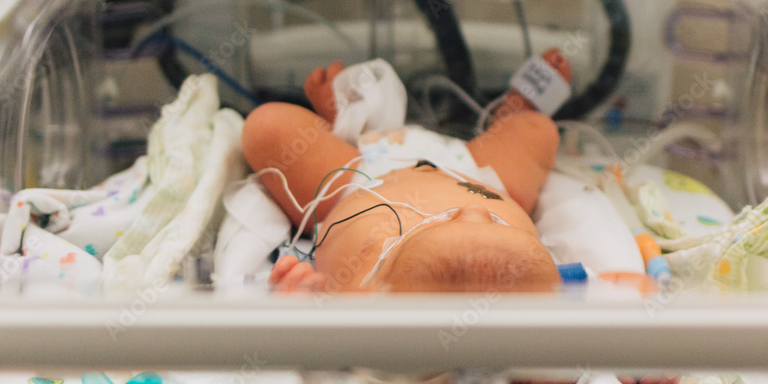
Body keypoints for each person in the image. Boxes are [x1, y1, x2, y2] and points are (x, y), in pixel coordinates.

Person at [241, 49, 573, 294]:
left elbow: (316, 338)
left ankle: (345, 124)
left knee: (266, 127)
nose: (471, 211)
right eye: (497, 223)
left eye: (449, 222)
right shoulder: (550, 291)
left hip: (360, 178)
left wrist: (298, 302)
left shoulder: (363, 303)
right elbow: (609, 285)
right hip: (476, 174)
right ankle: (515, 110)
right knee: (538, 130)